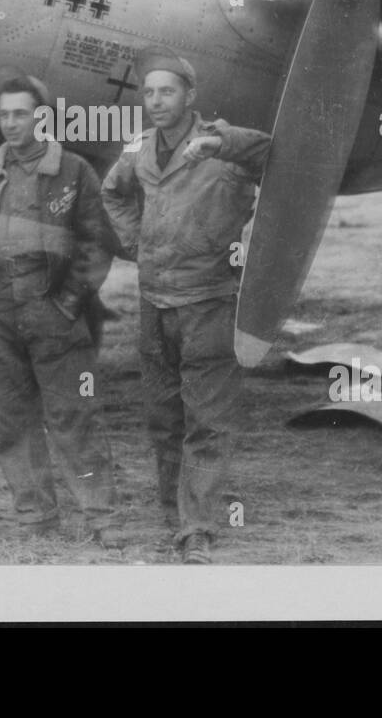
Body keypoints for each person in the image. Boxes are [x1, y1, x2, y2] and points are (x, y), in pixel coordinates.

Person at [101, 47, 270, 564]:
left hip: (208, 302)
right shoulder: (139, 147)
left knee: (208, 419)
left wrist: (222, 142)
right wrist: (137, 244)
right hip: (154, 303)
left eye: (167, 91)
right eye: (148, 92)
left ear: (190, 95)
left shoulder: (225, 144)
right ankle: (174, 509)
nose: (155, 101)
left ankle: (197, 526)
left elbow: (273, 152)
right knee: (163, 415)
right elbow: (113, 192)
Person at [0, 75, 124, 549]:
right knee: (13, 420)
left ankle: (101, 516)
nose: (12, 123)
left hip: (54, 307)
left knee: (75, 415)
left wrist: (70, 301)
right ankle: (35, 516)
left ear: (42, 116)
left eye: (22, 113)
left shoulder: (73, 171)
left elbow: (97, 243)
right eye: (5, 115)